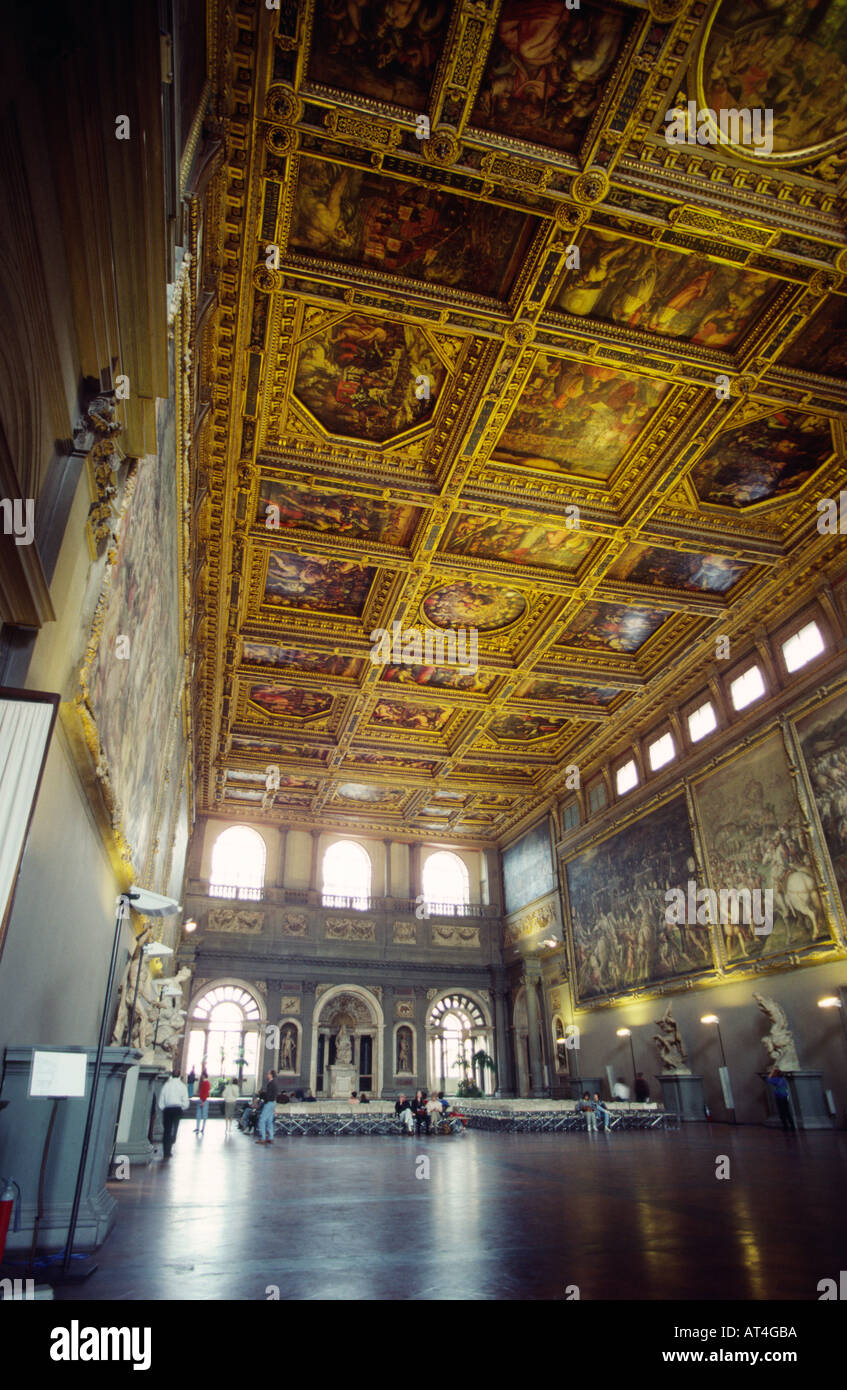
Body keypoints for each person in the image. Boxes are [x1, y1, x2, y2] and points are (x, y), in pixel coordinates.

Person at [159, 1068, 189, 1159]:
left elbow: (161, 1099)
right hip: (177, 1109)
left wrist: (163, 1108)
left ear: (172, 1075)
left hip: (167, 1109)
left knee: (167, 1130)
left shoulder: (166, 1085)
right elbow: (185, 1100)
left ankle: (166, 1151)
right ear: (179, 1075)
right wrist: (183, 1108)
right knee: (174, 1129)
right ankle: (170, 1147)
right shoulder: (182, 1086)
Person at [767, 1066, 796, 1132]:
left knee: (782, 1112)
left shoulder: (776, 1080)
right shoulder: (783, 1079)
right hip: (785, 1096)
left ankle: (785, 1126)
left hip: (780, 1097)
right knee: (787, 1111)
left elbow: (768, 1079)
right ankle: (792, 1125)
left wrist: (772, 1072)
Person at [256, 1069, 279, 1144]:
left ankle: (262, 1138)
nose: (267, 1075)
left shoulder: (271, 1084)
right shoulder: (274, 1083)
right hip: (272, 1103)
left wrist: (262, 1094)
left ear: (271, 1075)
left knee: (262, 1120)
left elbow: (268, 1095)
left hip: (269, 1103)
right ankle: (271, 1138)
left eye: (268, 1074)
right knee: (269, 1121)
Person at [194, 1069, 211, 1135]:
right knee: (199, 1115)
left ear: (204, 1076)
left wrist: (203, 1101)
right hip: (202, 1099)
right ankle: (198, 1128)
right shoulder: (205, 1083)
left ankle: (202, 1128)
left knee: (203, 1115)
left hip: (203, 1100)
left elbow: (205, 1093)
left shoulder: (206, 1083)